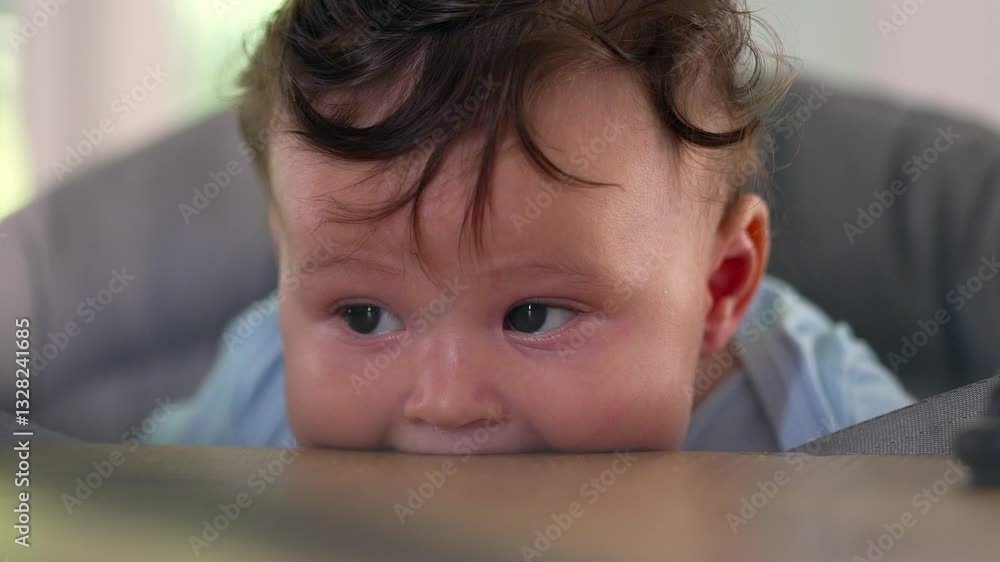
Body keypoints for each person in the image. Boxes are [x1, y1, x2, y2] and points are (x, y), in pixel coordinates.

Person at [144, 0, 913, 452]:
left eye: (532, 315)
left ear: (720, 287)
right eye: (363, 315)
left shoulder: (830, 422)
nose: (444, 403)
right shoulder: (257, 384)